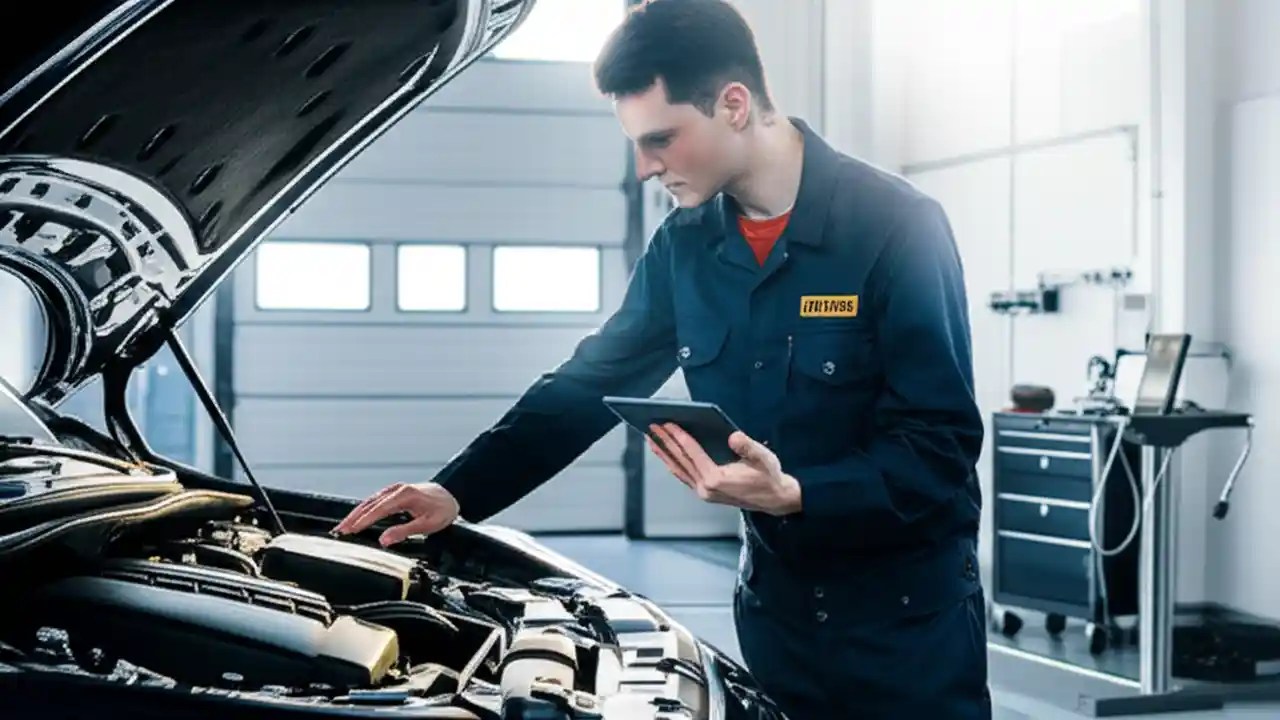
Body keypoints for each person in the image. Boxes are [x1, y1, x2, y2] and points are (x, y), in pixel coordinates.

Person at [334, 0, 991, 716]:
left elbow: (940, 445)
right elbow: (587, 385)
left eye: (661, 140)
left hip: (906, 625)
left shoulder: (897, 228)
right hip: (778, 619)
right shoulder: (686, 247)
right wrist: (456, 493)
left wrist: (800, 492)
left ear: (734, 105)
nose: (646, 168)